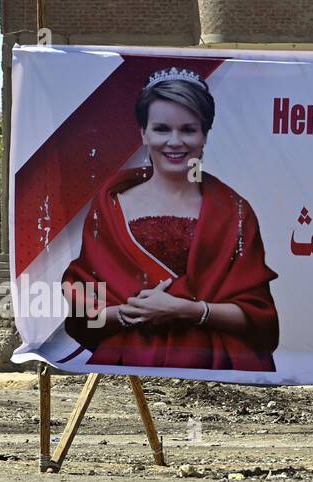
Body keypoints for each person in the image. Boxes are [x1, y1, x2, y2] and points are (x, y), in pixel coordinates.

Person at [60, 68, 280, 371]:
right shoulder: (109, 209)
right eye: (162, 129)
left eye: (188, 129)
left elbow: (260, 317)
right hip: (127, 366)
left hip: (218, 369)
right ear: (143, 134)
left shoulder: (236, 212)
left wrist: (189, 310)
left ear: (205, 135)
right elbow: (82, 310)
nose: (175, 141)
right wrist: (129, 314)